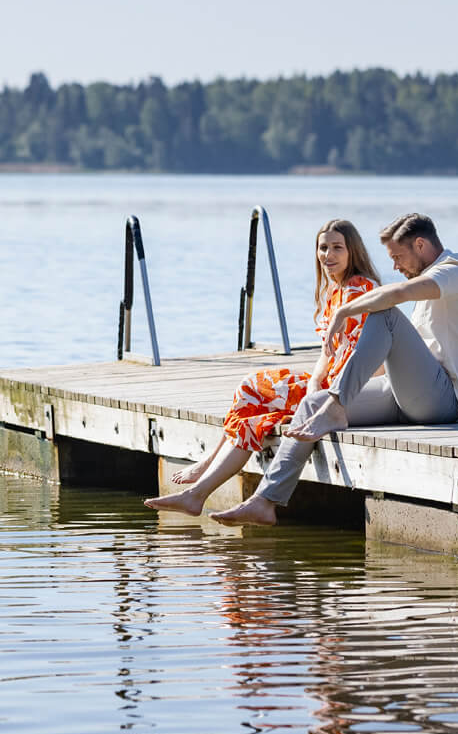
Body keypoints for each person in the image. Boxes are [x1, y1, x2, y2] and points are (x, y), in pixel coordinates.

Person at [210, 212, 458, 527]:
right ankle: (265, 501)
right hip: (410, 395)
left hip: (441, 402)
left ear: (420, 245)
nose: (395, 267)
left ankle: (337, 405)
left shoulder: (455, 270)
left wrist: (344, 311)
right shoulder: (438, 283)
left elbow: (398, 294)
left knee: (384, 314)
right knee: (312, 403)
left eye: (398, 257)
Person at [146, 219, 382, 515]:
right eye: (323, 248)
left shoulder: (359, 289)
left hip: (345, 389)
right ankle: (200, 484)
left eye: (337, 248)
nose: (328, 255)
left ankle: (199, 487)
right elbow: (329, 350)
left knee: (252, 406)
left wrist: (323, 393)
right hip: (325, 382)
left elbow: (366, 355)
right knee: (252, 391)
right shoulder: (338, 288)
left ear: (353, 251)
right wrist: (314, 381)